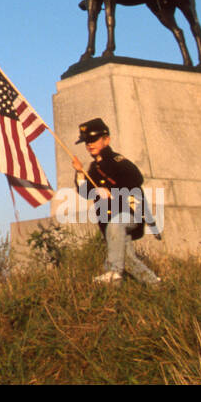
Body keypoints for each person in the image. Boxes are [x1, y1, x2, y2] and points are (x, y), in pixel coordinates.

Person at [69, 117, 161, 286]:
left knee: (116, 224)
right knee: (128, 259)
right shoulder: (94, 168)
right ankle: (155, 285)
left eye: (93, 140)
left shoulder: (118, 161)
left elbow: (136, 178)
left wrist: (112, 191)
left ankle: (112, 271)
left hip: (130, 215)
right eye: (87, 141)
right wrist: (80, 173)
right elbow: (85, 192)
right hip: (109, 221)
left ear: (106, 139)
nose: (90, 144)